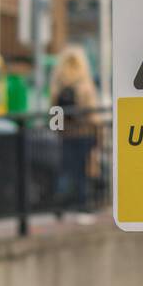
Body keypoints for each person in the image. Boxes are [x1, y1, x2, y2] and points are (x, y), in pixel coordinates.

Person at [48, 46, 101, 212]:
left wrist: (59, 131)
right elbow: (92, 114)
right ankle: (83, 203)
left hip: (66, 135)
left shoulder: (58, 86)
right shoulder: (85, 85)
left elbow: (54, 114)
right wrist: (97, 132)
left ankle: (59, 203)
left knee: (65, 169)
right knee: (82, 170)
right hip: (84, 133)